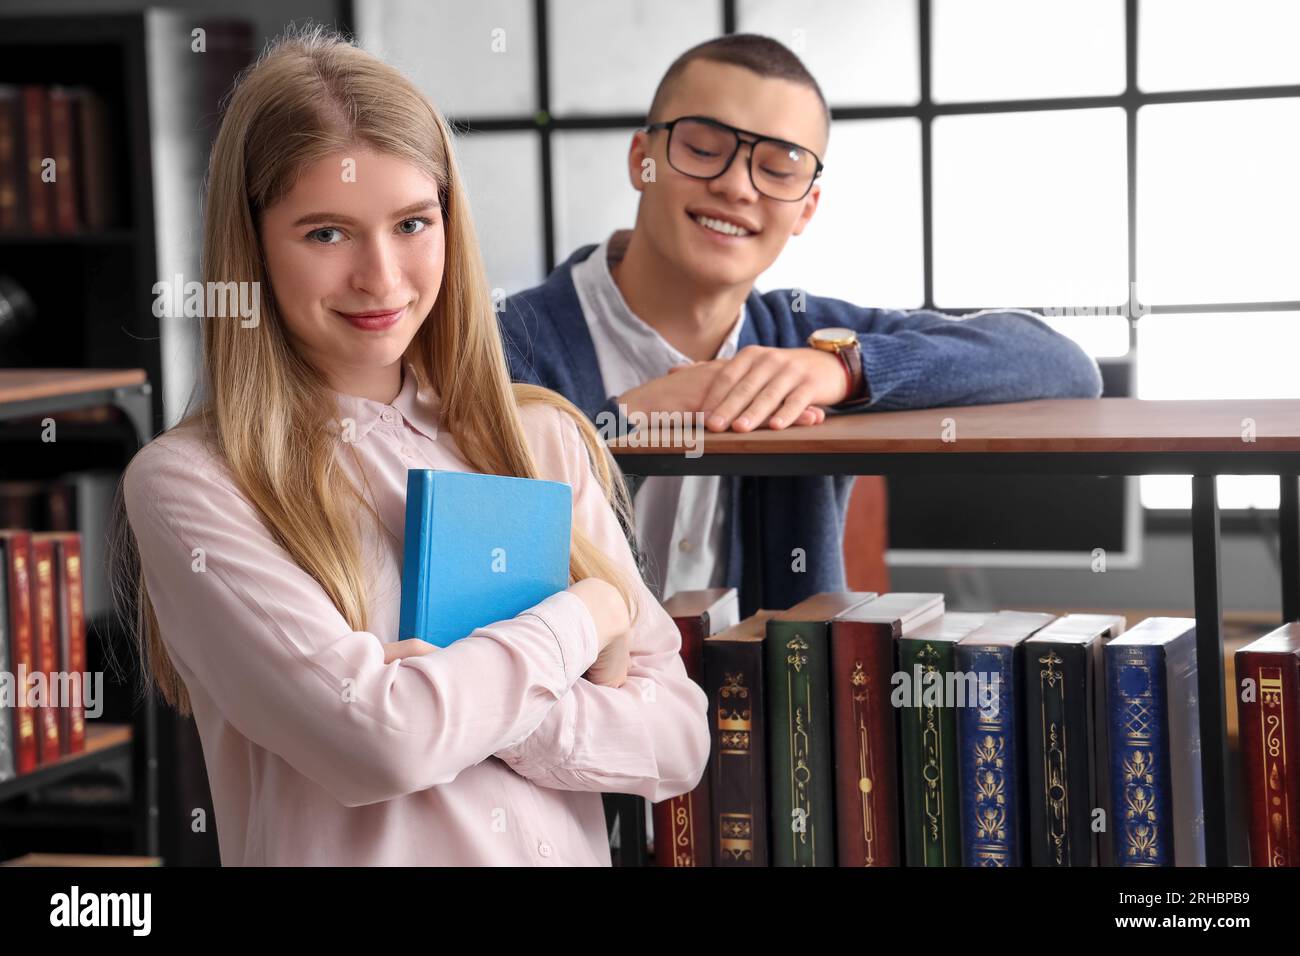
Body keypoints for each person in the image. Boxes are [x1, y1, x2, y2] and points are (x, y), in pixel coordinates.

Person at [117, 26, 709, 866]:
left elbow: (678, 742)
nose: (382, 278)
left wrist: (456, 703)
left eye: (411, 223)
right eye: (326, 233)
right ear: (250, 249)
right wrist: (588, 616)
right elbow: (382, 746)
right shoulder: (193, 483)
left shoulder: (536, 435)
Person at [499, 34, 1103, 609]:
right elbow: (479, 551)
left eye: (779, 167)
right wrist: (617, 424)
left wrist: (841, 369)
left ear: (806, 208)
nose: (736, 186)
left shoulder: (804, 334)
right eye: (703, 148)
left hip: (785, 706)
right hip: (565, 708)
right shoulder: (500, 341)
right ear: (642, 160)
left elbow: (1060, 363)